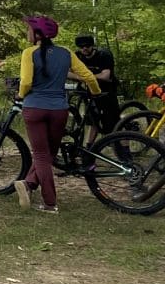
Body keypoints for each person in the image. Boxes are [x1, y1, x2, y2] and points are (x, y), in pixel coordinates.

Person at [14, 15, 100, 213]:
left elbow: (26, 82)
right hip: (59, 110)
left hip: (35, 108)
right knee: (49, 154)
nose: (27, 33)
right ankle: (28, 184)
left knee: (42, 156)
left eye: (29, 29)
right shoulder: (66, 53)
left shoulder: (29, 53)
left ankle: (50, 203)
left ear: (38, 34)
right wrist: (95, 93)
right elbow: (87, 75)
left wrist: (19, 96)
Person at [73, 34, 121, 139]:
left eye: (87, 46)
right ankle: (89, 147)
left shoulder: (104, 55)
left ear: (92, 46)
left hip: (107, 89)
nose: (84, 48)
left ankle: (124, 149)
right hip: (90, 89)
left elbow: (105, 76)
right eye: (81, 47)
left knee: (113, 122)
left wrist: (87, 77)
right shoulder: (77, 56)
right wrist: (82, 78)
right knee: (92, 119)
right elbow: (67, 73)